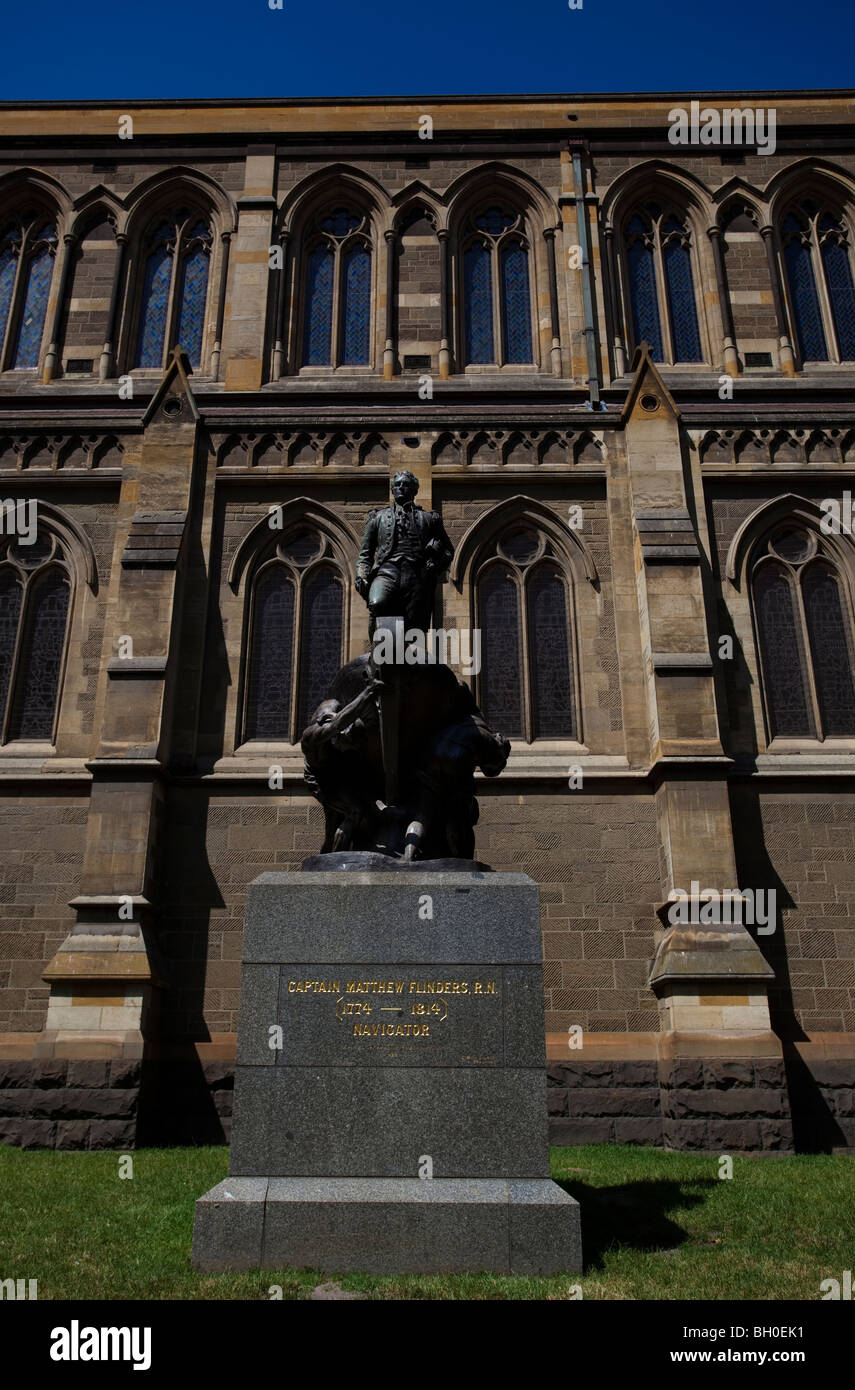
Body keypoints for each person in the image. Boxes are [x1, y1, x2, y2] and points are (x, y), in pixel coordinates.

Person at [355, 470, 454, 634]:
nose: (401, 487)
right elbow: (365, 554)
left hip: (417, 574)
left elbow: (448, 551)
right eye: (398, 484)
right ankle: (378, 652)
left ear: (415, 491)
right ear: (392, 490)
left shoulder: (430, 519)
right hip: (387, 572)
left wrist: (435, 565)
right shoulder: (377, 518)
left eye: (406, 484)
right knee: (377, 602)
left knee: (414, 624)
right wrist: (362, 575)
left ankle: (404, 655)